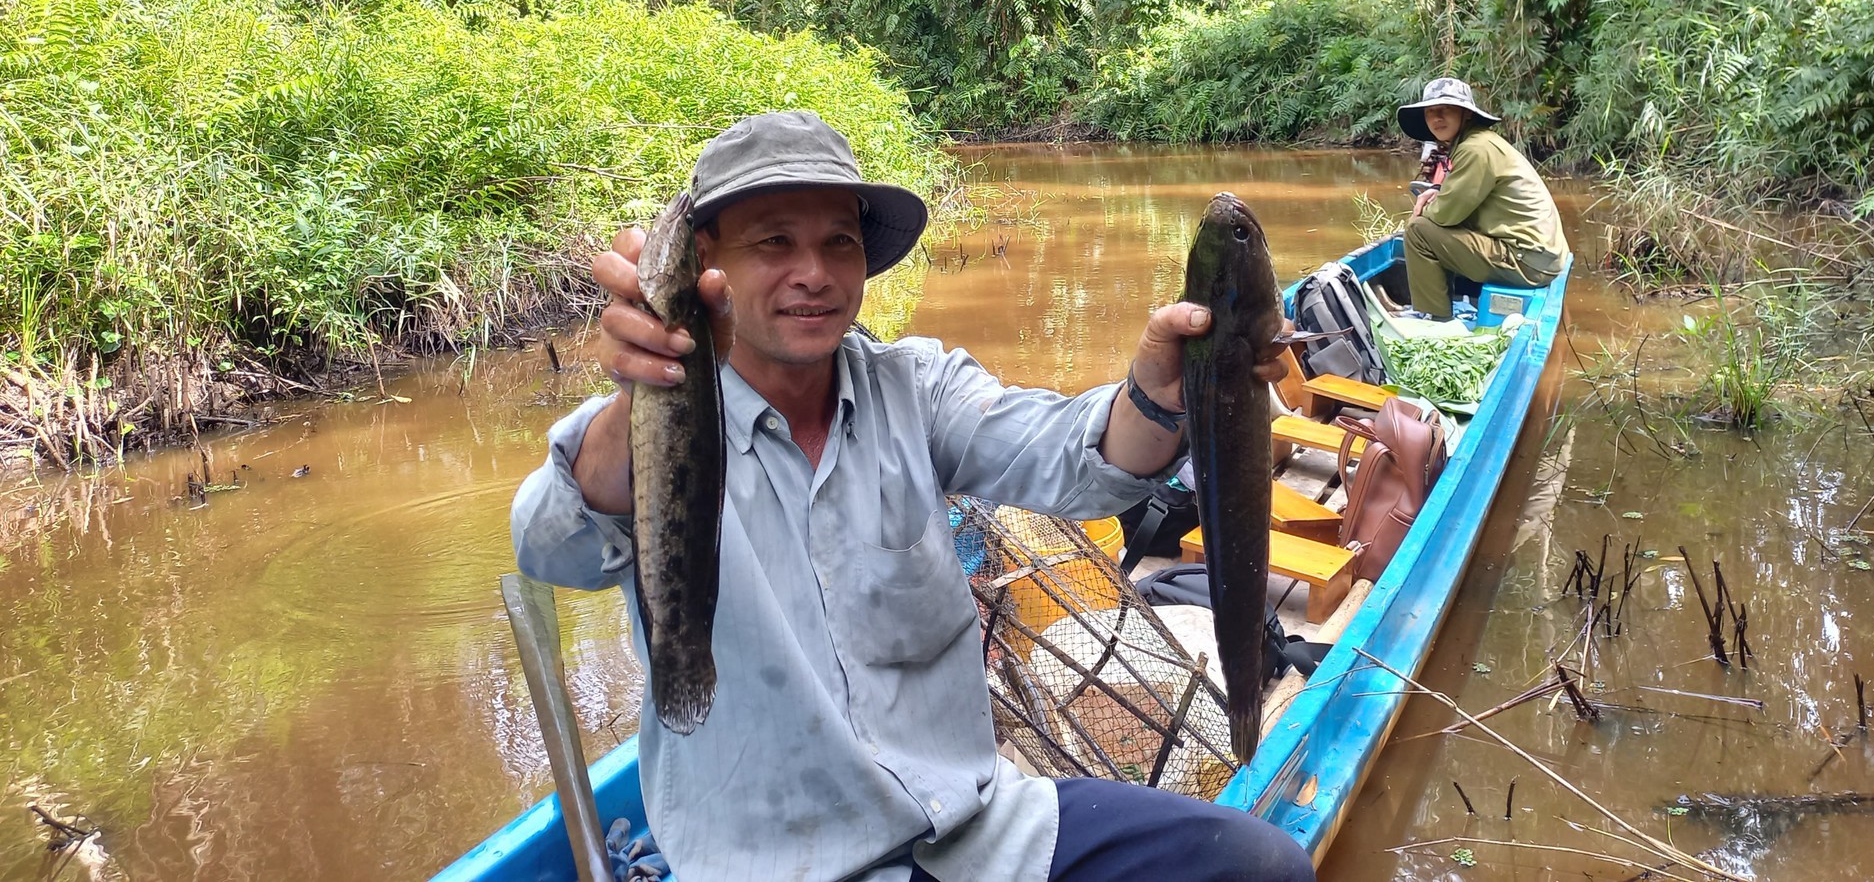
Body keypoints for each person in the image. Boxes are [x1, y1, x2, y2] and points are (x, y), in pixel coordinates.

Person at [512, 111, 1313, 882]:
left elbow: (1076, 460)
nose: (815, 274)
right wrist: (650, 385)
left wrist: (1157, 391)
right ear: (707, 261)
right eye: (774, 244)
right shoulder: (653, 427)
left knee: (1261, 866)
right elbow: (553, 543)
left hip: (979, 837)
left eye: (838, 242)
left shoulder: (914, 387)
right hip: (778, 864)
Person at [1395, 77, 1569, 321]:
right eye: (1431, 112)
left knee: (1418, 231)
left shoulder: (1475, 149)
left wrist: (1428, 207)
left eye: (1446, 109)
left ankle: (1436, 319)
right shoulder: (1481, 142)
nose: (1437, 117)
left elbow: (1444, 216)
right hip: (1542, 257)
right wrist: (1440, 193)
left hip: (1527, 262)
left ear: (1465, 114)